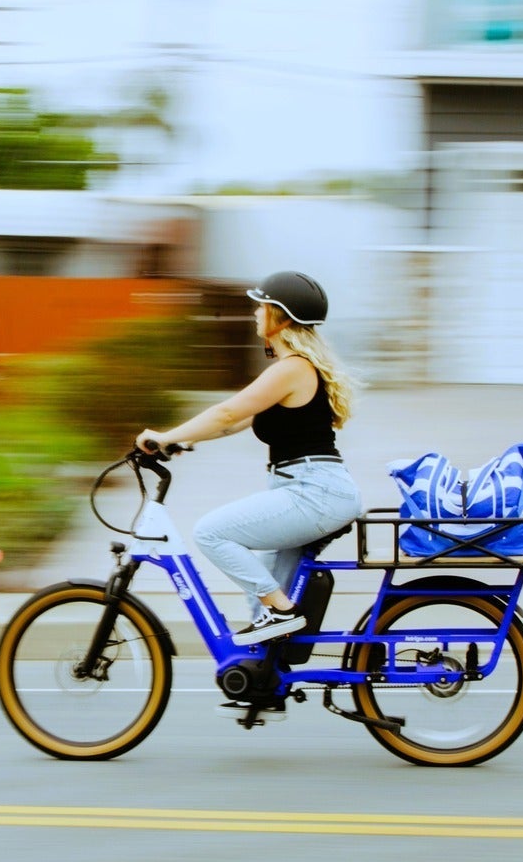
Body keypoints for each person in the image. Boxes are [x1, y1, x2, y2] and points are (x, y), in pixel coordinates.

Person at [137, 270, 362, 645]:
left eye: (262, 306)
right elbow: (232, 423)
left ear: (281, 317)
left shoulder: (293, 369)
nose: (256, 313)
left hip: (312, 493)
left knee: (211, 533)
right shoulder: (296, 369)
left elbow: (226, 412)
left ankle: (282, 611)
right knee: (259, 600)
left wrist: (163, 436)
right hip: (311, 491)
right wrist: (182, 440)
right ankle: (266, 684)